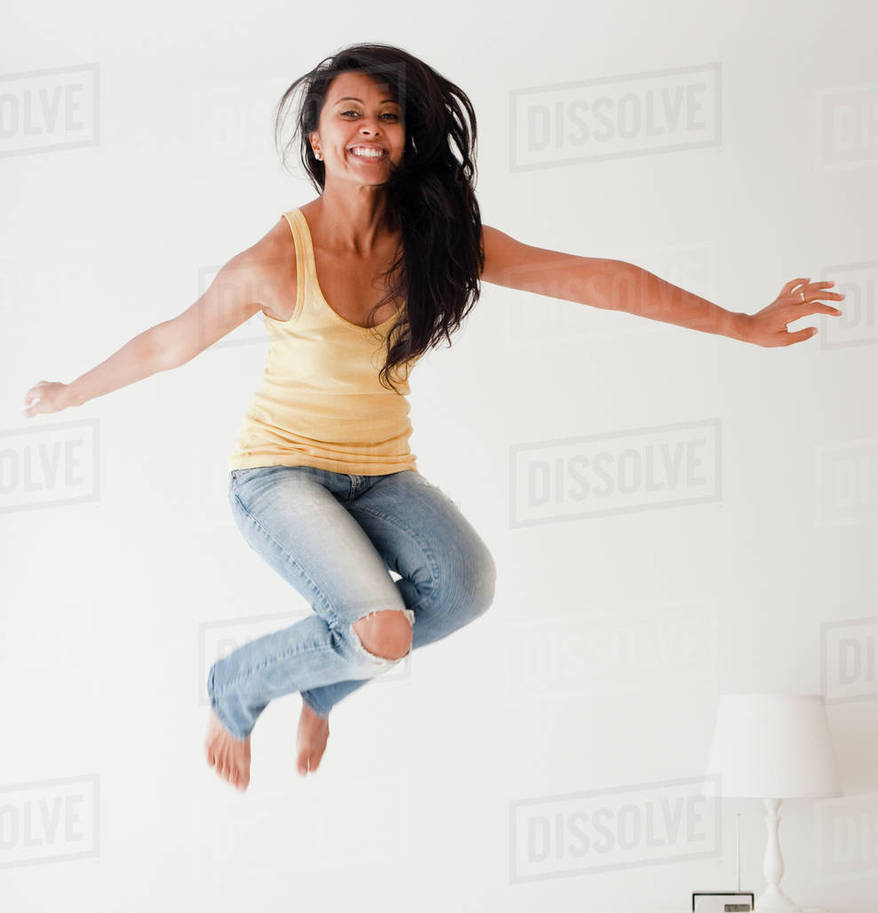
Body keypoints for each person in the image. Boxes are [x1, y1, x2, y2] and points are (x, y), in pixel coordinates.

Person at [22, 43, 844, 793]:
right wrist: (69, 394)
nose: (370, 130)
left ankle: (324, 685)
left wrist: (741, 322)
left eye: (389, 115)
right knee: (379, 626)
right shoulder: (274, 260)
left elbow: (596, 278)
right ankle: (238, 684)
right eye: (350, 113)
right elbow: (171, 343)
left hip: (381, 475)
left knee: (464, 591)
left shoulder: (440, 242)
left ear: (410, 139)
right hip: (279, 479)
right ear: (315, 139)